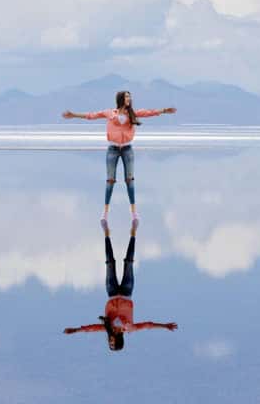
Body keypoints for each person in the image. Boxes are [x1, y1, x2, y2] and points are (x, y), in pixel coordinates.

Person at [62, 90, 176, 223]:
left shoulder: (132, 113)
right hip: (113, 149)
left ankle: (133, 212)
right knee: (110, 181)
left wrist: (163, 111)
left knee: (130, 180)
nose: (129, 98)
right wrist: (74, 115)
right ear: (121, 98)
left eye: (130, 96)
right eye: (127, 96)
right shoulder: (109, 113)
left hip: (127, 149)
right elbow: (91, 115)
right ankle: (105, 212)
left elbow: (148, 112)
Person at [63, 219, 177, 350]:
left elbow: (92, 328)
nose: (109, 342)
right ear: (118, 341)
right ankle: (133, 233)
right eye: (112, 344)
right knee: (129, 262)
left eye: (109, 344)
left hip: (111, 293)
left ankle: (106, 233)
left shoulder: (108, 328)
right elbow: (148, 325)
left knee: (110, 262)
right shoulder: (129, 329)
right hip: (126, 292)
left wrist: (76, 330)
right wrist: (164, 326)